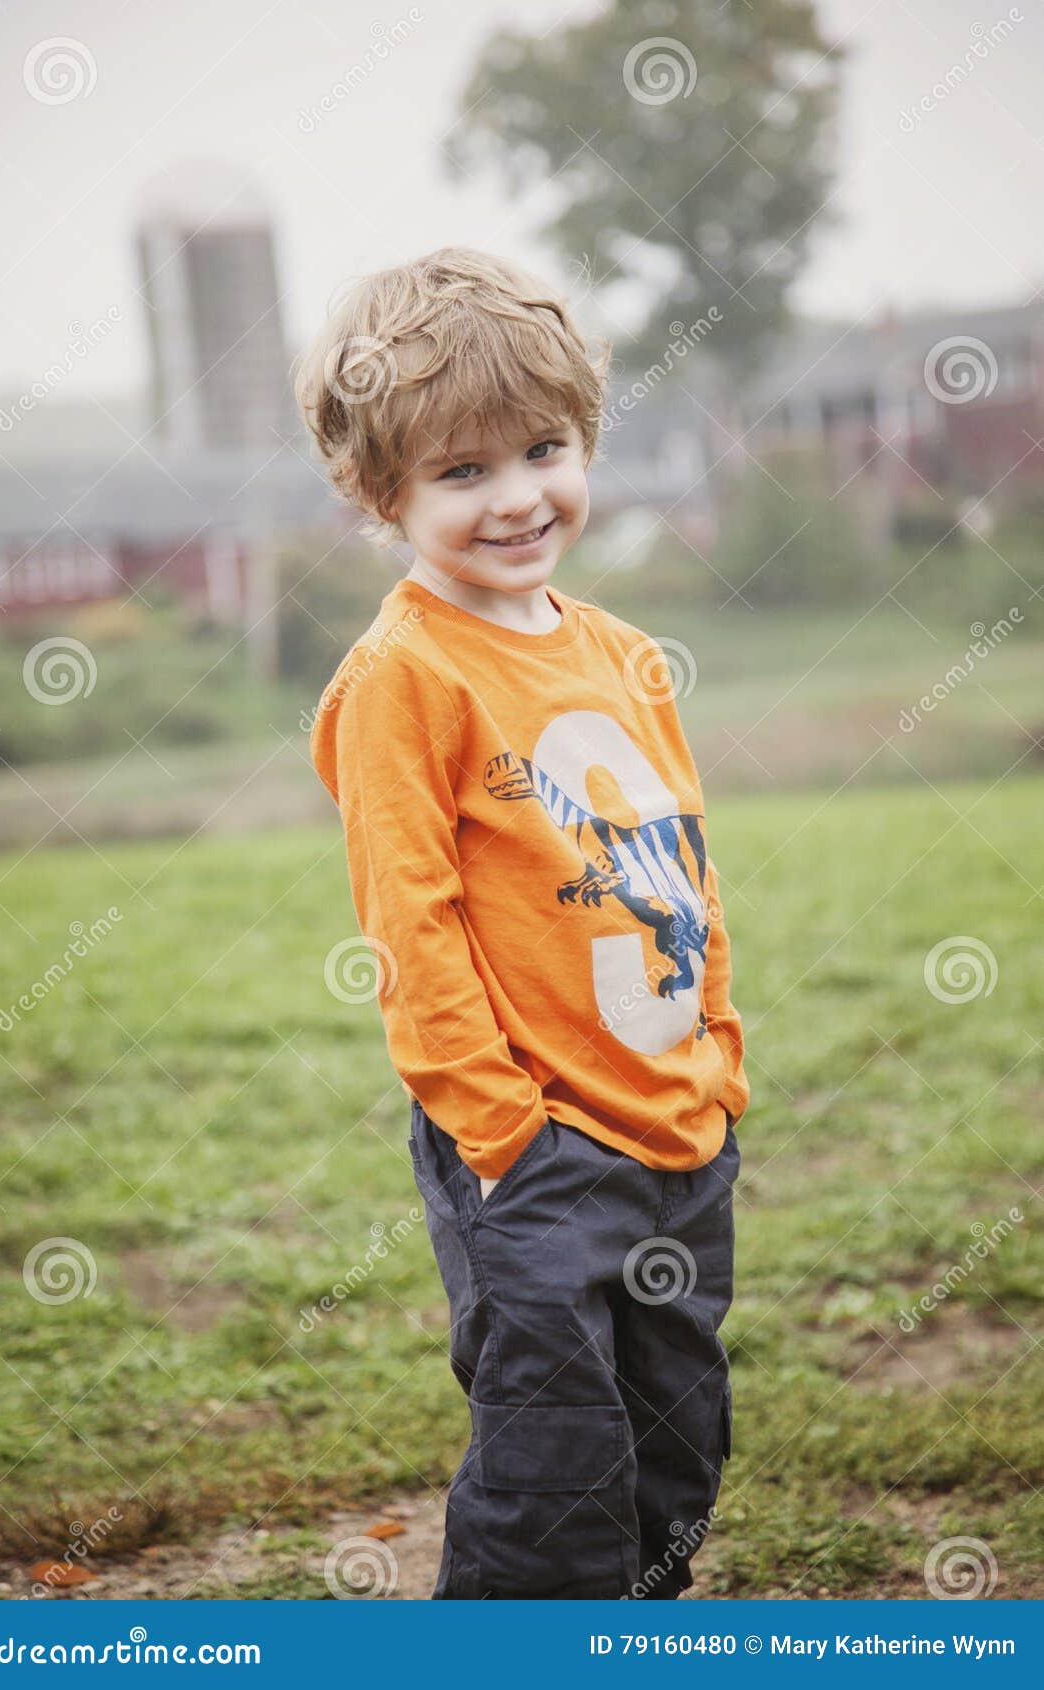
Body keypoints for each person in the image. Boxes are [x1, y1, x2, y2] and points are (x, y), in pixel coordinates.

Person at [296, 246, 749, 1600]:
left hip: (681, 1127)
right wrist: (504, 1135)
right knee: (553, 1484)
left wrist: (719, 1053)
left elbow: (683, 867)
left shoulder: (616, 654)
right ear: (386, 492)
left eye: (542, 449)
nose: (516, 498)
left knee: (673, 1458)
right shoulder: (406, 676)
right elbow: (412, 926)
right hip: (538, 1149)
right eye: (461, 472)